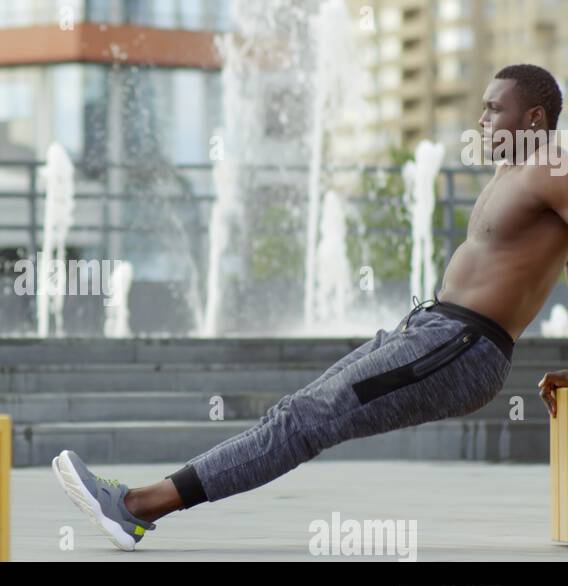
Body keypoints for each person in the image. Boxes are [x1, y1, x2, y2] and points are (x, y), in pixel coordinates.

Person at [53, 63, 568, 551]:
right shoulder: (513, 169)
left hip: (460, 348)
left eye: (493, 108)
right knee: (294, 414)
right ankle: (138, 506)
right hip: (433, 331)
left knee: (304, 420)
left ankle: (139, 506)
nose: (480, 119)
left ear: (534, 118)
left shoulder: (552, 165)